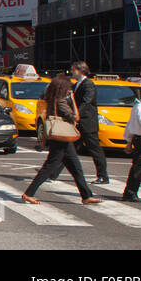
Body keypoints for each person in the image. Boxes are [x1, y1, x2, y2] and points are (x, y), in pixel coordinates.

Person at [21, 75, 101, 205]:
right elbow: (75, 117)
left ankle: (86, 195)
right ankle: (28, 193)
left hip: (60, 138)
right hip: (61, 139)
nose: (70, 89)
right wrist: (73, 100)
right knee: (49, 167)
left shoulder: (52, 100)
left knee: (76, 168)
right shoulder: (61, 101)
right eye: (68, 87)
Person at [70, 61, 110, 185]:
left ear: (80, 70)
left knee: (94, 149)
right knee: (68, 148)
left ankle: (103, 176)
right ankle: (53, 173)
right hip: (80, 122)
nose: (72, 72)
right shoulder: (77, 84)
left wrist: (76, 114)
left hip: (87, 122)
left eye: (73, 70)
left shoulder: (88, 84)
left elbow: (86, 102)